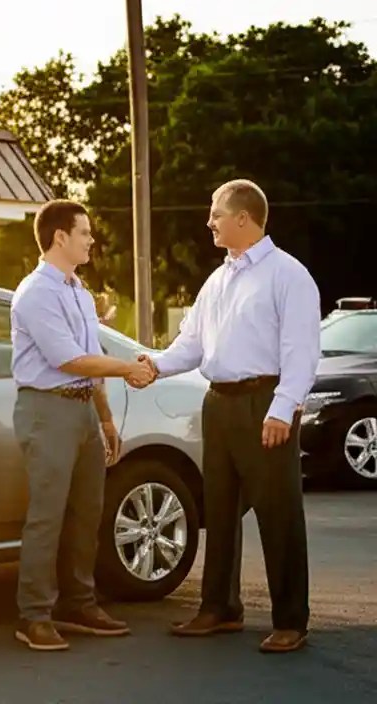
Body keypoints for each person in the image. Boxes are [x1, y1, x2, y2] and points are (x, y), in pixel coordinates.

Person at [135, 179, 319, 654]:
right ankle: (219, 609)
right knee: (219, 510)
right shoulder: (218, 279)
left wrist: (283, 408)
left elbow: (302, 351)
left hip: (266, 405)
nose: (209, 221)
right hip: (217, 404)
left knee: (278, 514)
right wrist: (152, 366)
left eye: (216, 213)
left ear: (243, 217)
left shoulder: (288, 275)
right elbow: (191, 346)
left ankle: (291, 621)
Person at [9, 199, 154, 652]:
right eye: (85, 233)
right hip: (46, 409)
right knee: (47, 517)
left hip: (83, 411)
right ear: (60, 237)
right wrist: (128, 367)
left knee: (87, 513)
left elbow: (88, 362)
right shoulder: (35, 292)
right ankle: (33, 615)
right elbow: (67, 359)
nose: (92, 240)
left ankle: (79, 603)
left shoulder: (77, 291)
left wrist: (106, 418)